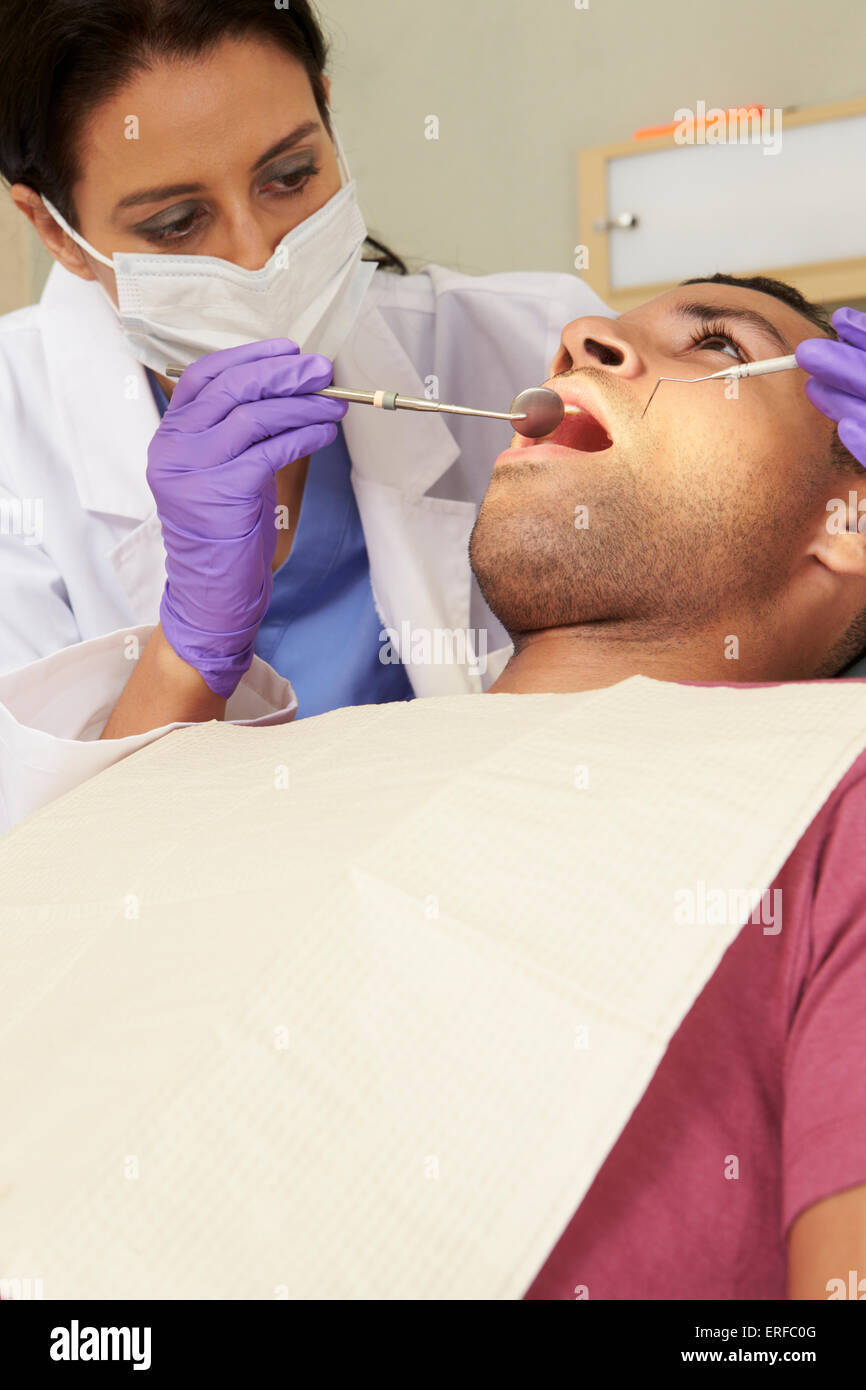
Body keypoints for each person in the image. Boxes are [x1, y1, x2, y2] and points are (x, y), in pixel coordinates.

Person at [3, 272, 866, 1299]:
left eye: (717, 344)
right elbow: (84, 937)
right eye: (593, 332)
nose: (579, 337)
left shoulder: (833, 789)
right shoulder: (263, 766)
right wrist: (186, 655)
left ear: (847, 514)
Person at [0, 0, 610, 829]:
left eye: (289, 175)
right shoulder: (14, 426)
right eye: (176, 224)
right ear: (56, 231)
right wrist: (189, 651)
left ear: (328, 113)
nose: (259, 257)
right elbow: (46, 886)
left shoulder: (532, 349)